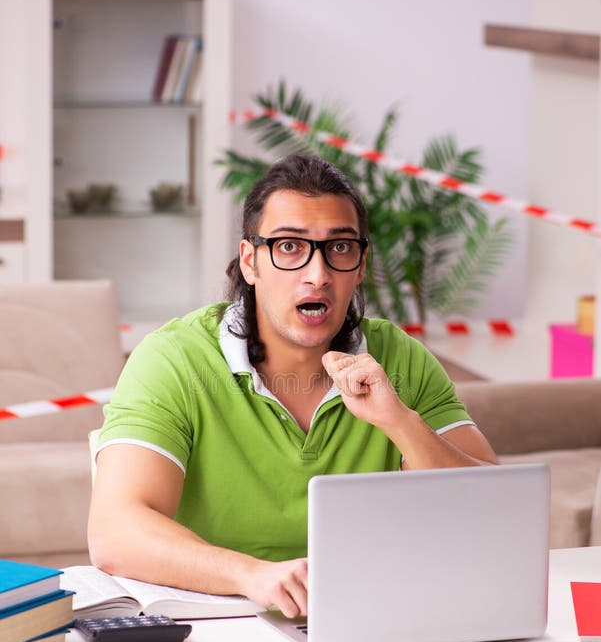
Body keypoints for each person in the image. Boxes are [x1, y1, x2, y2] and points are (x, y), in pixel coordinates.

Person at [89, 154, 497, 618]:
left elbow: (492, 512)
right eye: (289, 247)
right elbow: (114, 531)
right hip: (215, 625)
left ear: (361, 266)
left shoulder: (401, 360)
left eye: (340, 248)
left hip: (372, 616)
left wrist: (401, 423)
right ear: (250, 262)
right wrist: (252, 575)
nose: (317, 274)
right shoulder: (175, 359)